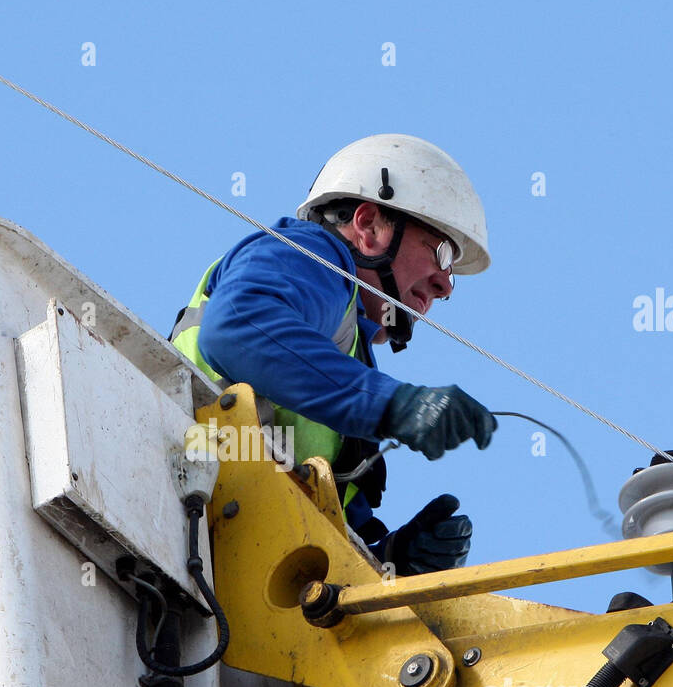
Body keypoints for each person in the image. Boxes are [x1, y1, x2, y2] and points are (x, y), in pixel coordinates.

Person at [171, 134, 497, 575]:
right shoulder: (310, 255)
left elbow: (326, 529)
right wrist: (391, 404)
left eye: (452, 274)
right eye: (440, 254)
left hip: (235, 572)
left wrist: (390, 558)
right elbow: (237, 328)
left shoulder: (346, 363)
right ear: (368, 227)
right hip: (181, 521)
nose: (443, 285)